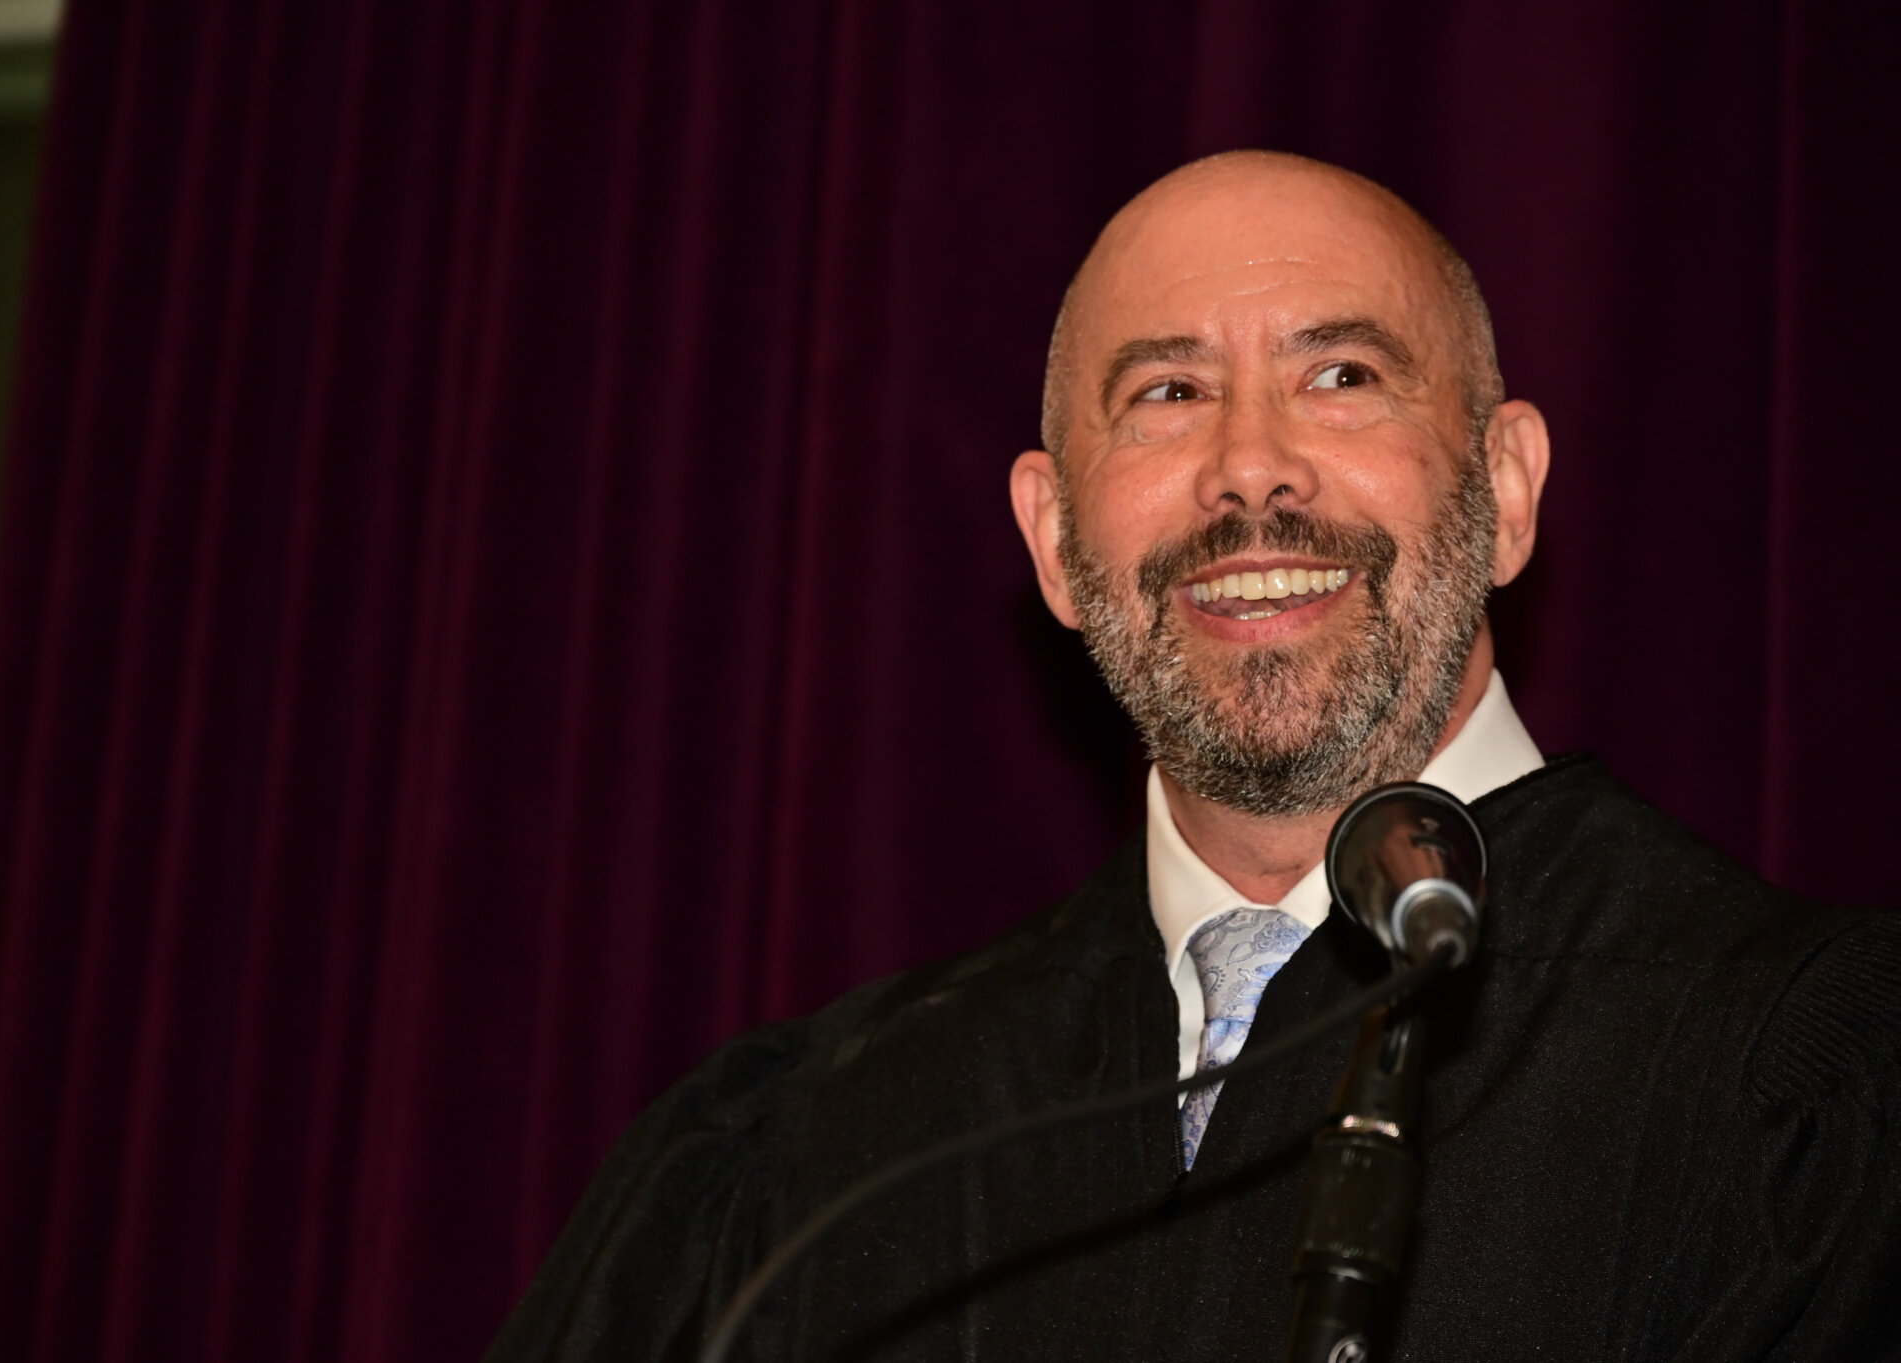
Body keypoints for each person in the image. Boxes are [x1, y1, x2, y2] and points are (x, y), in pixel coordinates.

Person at [484, 153, 1901, 1361]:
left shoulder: (1791, 1081)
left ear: (1507, 487)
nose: (1250, 466)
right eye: (1167, 393)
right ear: (1055, 540)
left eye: (1342, 376)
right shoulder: (821, 1153)